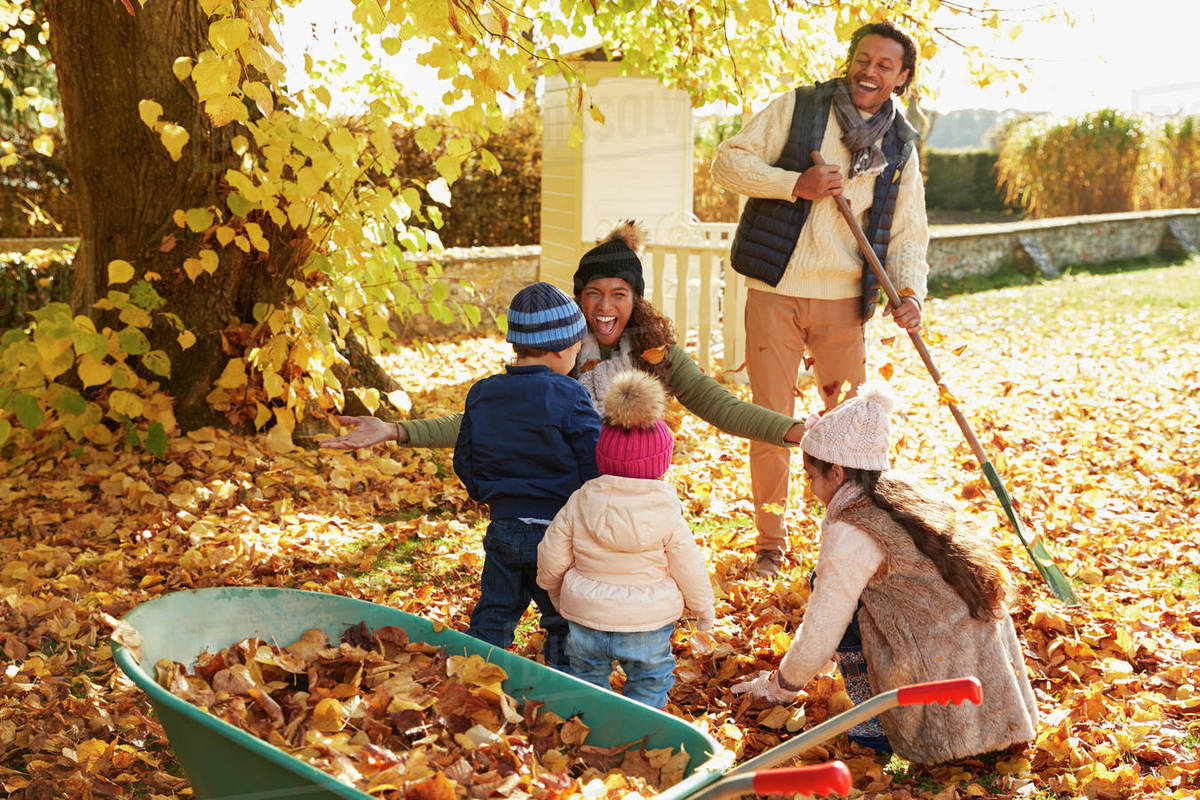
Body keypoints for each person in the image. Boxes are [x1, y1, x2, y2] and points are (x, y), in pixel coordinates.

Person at [322, 221, 808, 578]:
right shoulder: (558, 353)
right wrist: (395, 430)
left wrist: (794, 431)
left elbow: (719, 404)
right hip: (565, 498)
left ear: (635, 300)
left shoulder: (653, 352)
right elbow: (487, 413)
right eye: (593, 293)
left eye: (619, 294)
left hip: (633, 491)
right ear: (578, 298)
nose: (604, 306)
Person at [710, 20, 930, 576]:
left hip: (843, 303)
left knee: (849, 430)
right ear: (849, 60)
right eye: (863, 59)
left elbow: (908, 232)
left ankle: (847, 540)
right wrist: (794, 184)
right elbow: (727, 161)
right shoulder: (800, 109)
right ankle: (770, 543)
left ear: (901, 78)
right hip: (775, 292)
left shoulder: (899, 144)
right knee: (770, 420)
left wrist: (909, 294)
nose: (869, 71)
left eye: (885, 65)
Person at [730, 382, 1038, 763]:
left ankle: (876, 731)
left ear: (838, 473)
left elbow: (823, 626)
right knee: (841, 587)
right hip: (987, 690)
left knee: (829, 590)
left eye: (811, 476)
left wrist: (780, 688)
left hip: (942, 701)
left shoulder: (854, 530)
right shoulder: (900, 494)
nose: (810, 488)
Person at [536, 370, 716, 709]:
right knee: (650, 680)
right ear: (661, 464)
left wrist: (556, 593)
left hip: (586, 616)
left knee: (587, 681)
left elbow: (552, 555)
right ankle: (644, 733)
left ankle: (593, 728)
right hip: (645, 623)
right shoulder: (667, 509)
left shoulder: (581, 499)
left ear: (604, 457)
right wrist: (703, 609)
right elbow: (688, 564)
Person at [450, 281, 601, 670]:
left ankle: (471, 678)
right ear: (560, 348)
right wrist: (586, 501)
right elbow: (593, 456)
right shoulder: (568, 394)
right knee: (562, 622)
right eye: (577, 347)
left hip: (503, 526)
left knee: (495, 611)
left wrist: (489, 493)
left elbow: (465, 458)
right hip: (555, 531)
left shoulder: (482, 393)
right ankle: (564, 692)